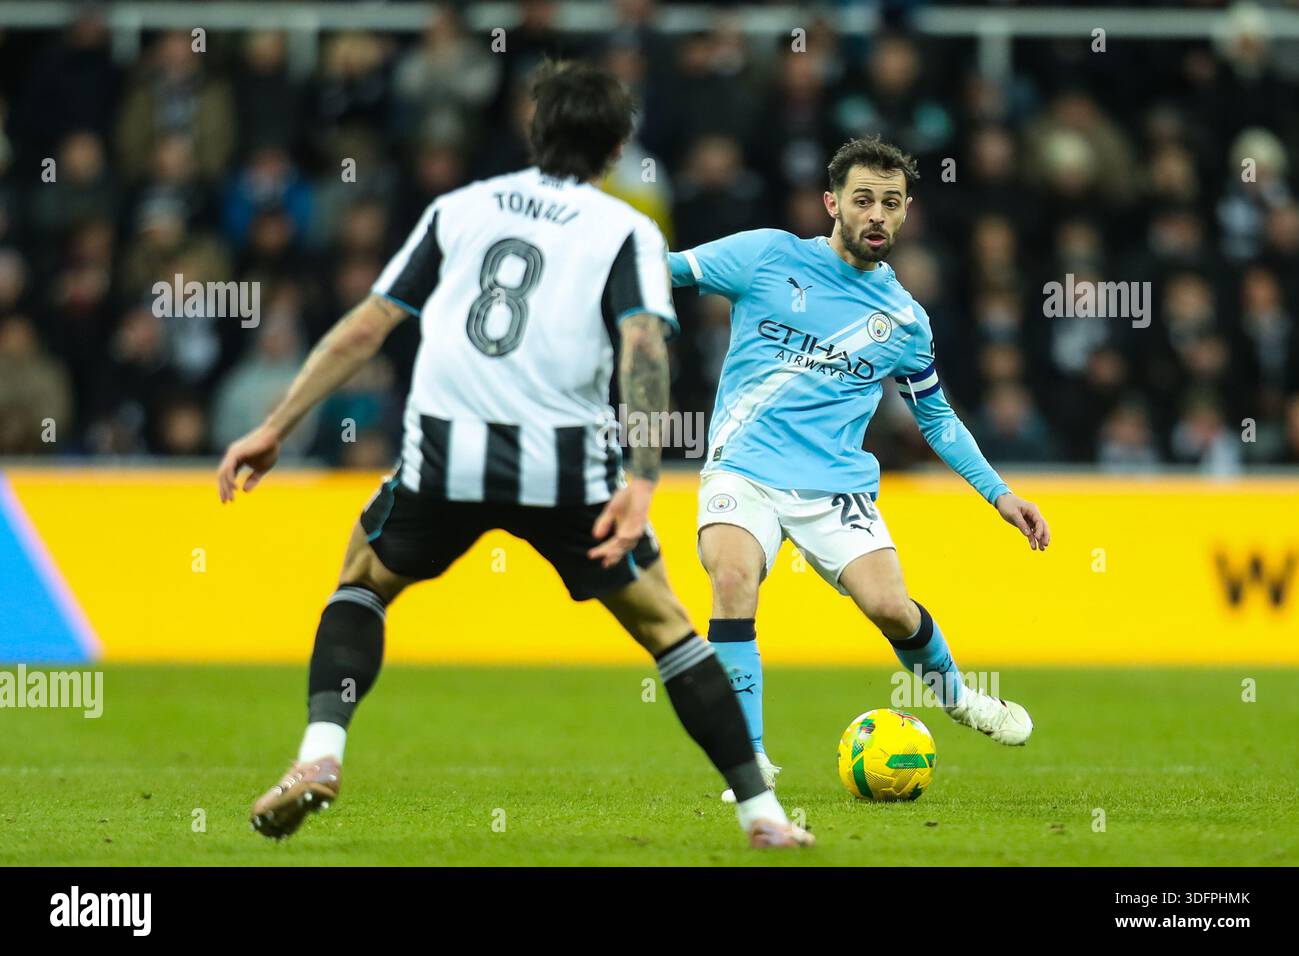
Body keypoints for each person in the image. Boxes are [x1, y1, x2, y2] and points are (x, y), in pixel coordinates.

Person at [216, 61, 812, 849]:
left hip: (445, 452)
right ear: (615, 148)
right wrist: (641, 478)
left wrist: (275, 426)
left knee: (361, 580)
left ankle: (319, 755)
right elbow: (643, 347)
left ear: (533, 130)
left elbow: (370, 324)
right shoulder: (626, 230)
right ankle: (761, 814)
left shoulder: (459, 208)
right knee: (665, 625)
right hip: (563, 462)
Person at [669, 135, 1051, 802]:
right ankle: (750, 761)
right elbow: (669, 269)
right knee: (732, 578)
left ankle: (958, 698)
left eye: (892, 203)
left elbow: (936, 419)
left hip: (835, 484)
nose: (878, 214)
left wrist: (1001, 495)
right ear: (832, 203)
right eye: (864, 199)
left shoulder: (904, 319)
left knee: (892, 610)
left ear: (906, 215)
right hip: (744, 468)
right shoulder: (766, 256)